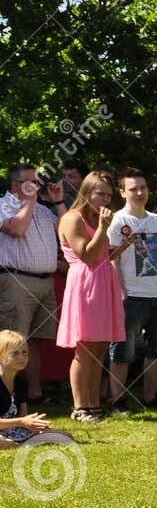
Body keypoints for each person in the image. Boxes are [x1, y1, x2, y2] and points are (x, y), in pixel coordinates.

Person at [55, 170, 129, 423]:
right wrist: (103, 228)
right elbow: (86, 255)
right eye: (100, 194)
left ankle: (94, 403)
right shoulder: (72, 219)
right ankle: (79, 407)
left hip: (103, 282)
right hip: (84, 285)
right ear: (86, 192)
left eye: (109, 195)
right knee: (84, 348)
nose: (105, 200)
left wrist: (122, 246)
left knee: (98, 349)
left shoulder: (97, 218)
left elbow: (101, 256)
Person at [107, 169, 157, 411]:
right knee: (123, 349)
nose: (139, 192)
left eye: (143, 187)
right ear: (123, 192)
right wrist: (121, 291)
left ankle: (151, 396)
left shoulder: (156, 219)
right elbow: (112, 259)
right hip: (132, 294)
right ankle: (117, 400)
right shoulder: (117, 220)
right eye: (133, 188)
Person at [0, 164, 67, 406]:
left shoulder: (42, 209)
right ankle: (9, 396)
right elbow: (16, 229)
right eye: (31, 183)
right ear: (16, 186)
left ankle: (34, 393)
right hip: (17, 280)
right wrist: (28, 202)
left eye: (37, 183)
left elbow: (66, 231)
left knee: (35, 341)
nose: (36, 187)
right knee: (13, 340)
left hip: (45, 281)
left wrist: (58, 202)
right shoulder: (3, 206)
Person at [0, 330, 73, 447]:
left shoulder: (21, 384)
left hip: (13, 431)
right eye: (15, 354)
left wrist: (33, 424)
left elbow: (22, 416)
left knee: (65, 437)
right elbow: (21, 420)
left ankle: (16, 444)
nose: (22, 357)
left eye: (25, 353)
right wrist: (22, 422)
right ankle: (17, 444)